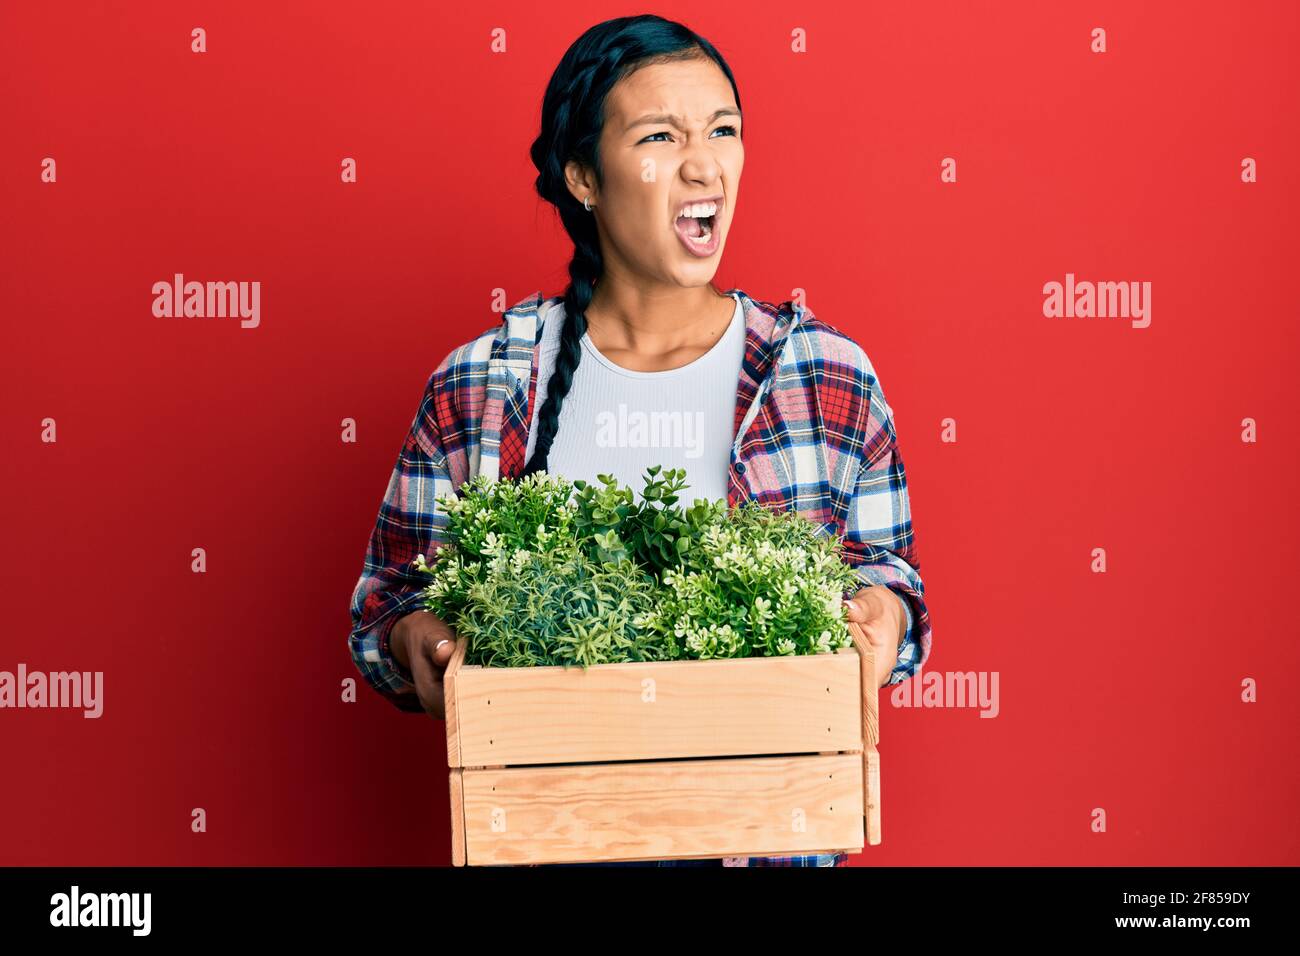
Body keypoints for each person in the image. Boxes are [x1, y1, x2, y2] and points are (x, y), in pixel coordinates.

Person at [347, 13, 932, 868]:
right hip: (552, 845)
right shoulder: (483, 384)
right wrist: (423, 642)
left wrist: (881, 618)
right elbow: (388, 604)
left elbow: (892, 583)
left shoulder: (824, 374)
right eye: (660, 135)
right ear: (583, 175)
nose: (705, 164)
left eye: (723, 130)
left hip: (763, 846)